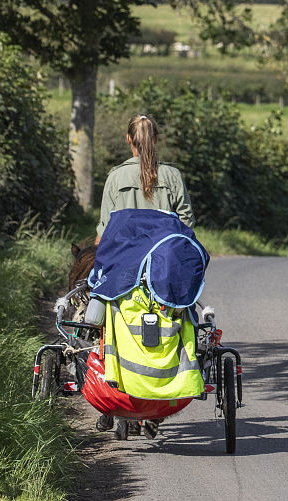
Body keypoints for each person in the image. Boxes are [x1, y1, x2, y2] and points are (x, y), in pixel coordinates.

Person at [93, 114, 194, 438]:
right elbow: (186, 224)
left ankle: (116, 388)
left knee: (105, 320)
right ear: (157, 139)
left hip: (124, 271)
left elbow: (104, 230)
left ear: (128, 140)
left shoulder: (115, 177)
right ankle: (160, 398)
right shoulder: (173, 176)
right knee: (177, 324)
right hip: (164, 271)